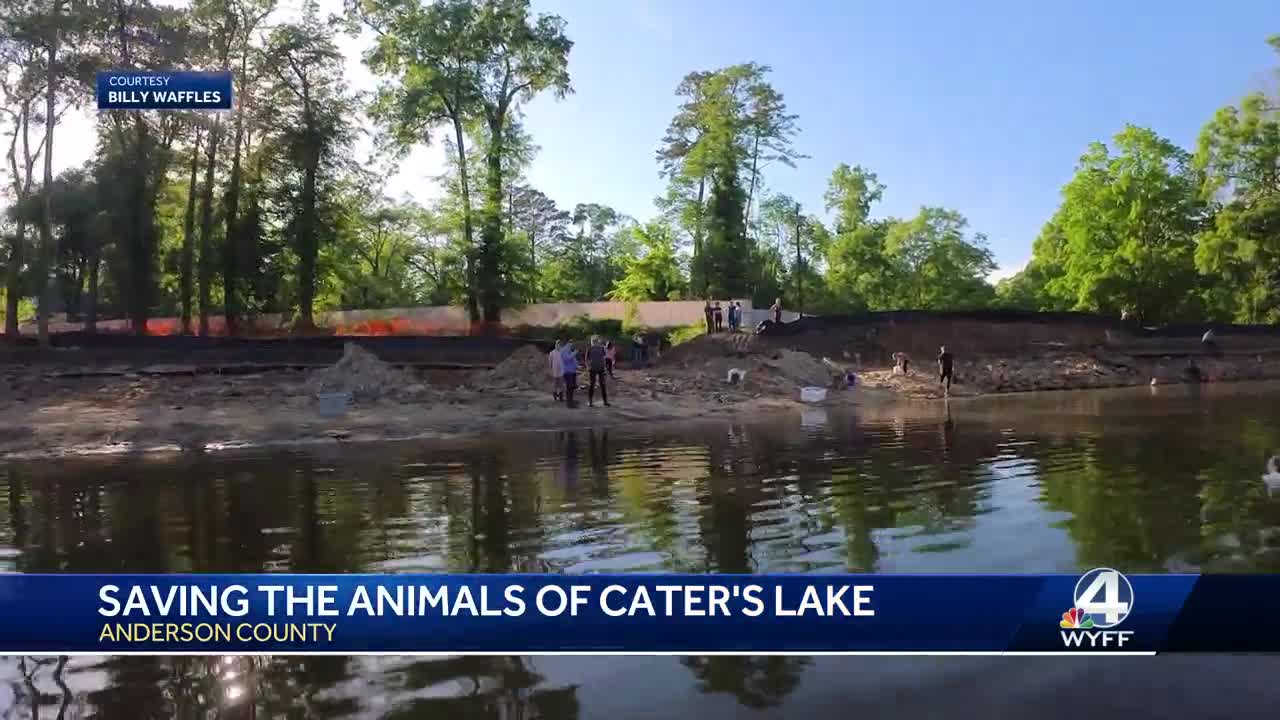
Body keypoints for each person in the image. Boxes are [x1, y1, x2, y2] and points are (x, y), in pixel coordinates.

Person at [586, 335, 610, 407]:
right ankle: (604, 401)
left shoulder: (592, 348)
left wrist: (588, 366)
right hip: (598, 368)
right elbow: (605, 356)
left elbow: (587, 359)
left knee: (593, 384)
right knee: (600, 384)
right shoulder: (599, 348)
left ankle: (591, 401)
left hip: (595, 368)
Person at [561, 341, 580, 408]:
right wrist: (575, 353)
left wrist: (577, 366)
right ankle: (569, 404)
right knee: (569, 388)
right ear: (568, 342)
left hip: (572, 372)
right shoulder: (564, 350)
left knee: (572, 388)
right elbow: (567, 359)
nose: (572, 344)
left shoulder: (569, 350)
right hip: (568, 372)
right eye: (571, 342)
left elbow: (573, 360)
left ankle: (571, 401)